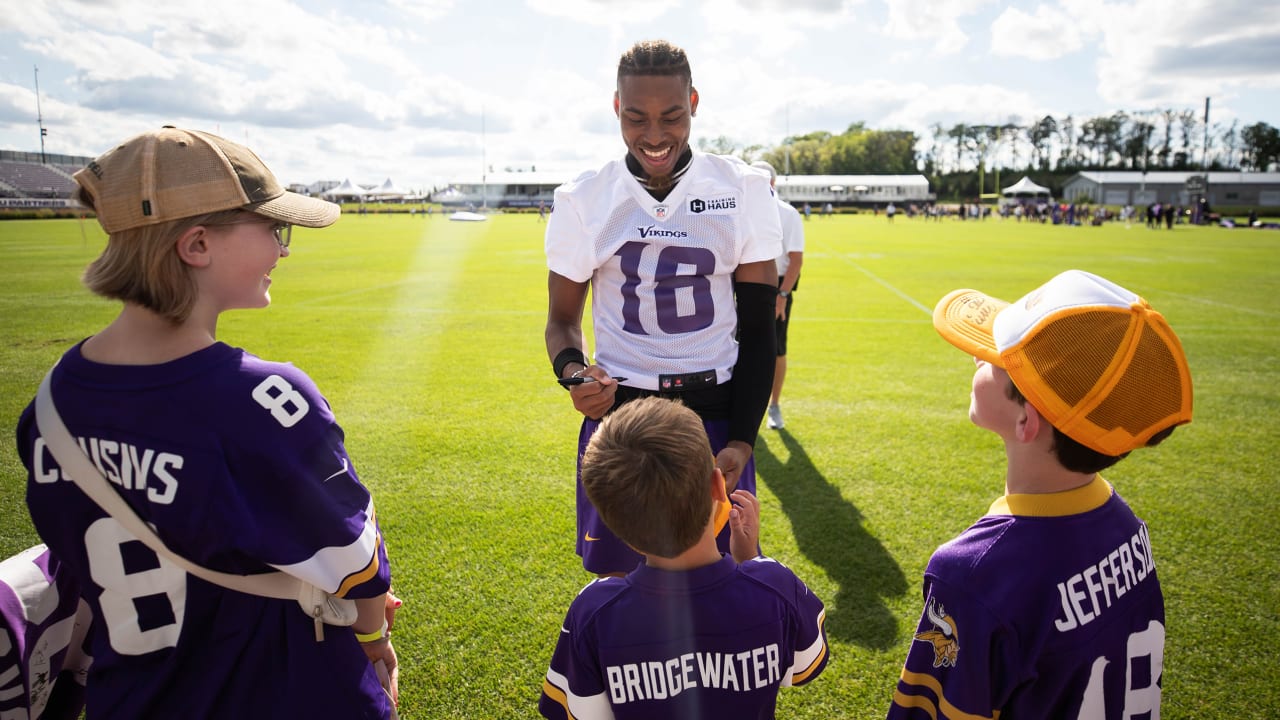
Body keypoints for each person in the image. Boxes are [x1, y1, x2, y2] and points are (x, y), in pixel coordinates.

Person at [16, 126, 401, 719]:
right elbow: (358, 567)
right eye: (274, 229)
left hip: (135, 698)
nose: (284, 250)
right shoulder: (266, 399)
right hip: (283, 693)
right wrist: (375, 639)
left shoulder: (50, 404)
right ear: (196, 245)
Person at [888, 269, 1193, 719]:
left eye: (993, 358)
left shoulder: (973, 575)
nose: (976, 360)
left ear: (1025, 422)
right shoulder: (1126, 526)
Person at [544, 39, 782, 577]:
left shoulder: (741, 190)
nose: (654, 135)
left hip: (716, 413)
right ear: (615, 108)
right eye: (636, 118)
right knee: (620, 584)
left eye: (671, 116)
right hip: (622, 415)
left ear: (694, 103)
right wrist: (574, 374)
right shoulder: (584, 199)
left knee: (723, 579)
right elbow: (561, 322)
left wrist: (743, 438)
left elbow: (759, 332)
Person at [538, 396, 829, 719]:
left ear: (612, 523)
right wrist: (751, 562)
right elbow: (805, 665)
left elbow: (581, 712)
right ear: (718, 486)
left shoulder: (593, 612)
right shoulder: (774, 585)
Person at [750, 160, 804, 431]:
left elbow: (795, 259)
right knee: (736, 347)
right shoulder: (740, 208)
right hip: (741, 283)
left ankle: (774, 405)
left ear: (771, 183)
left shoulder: (787, 213)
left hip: (776, 285)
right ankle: (743, 407)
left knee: (775, 349)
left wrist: (782, 296)